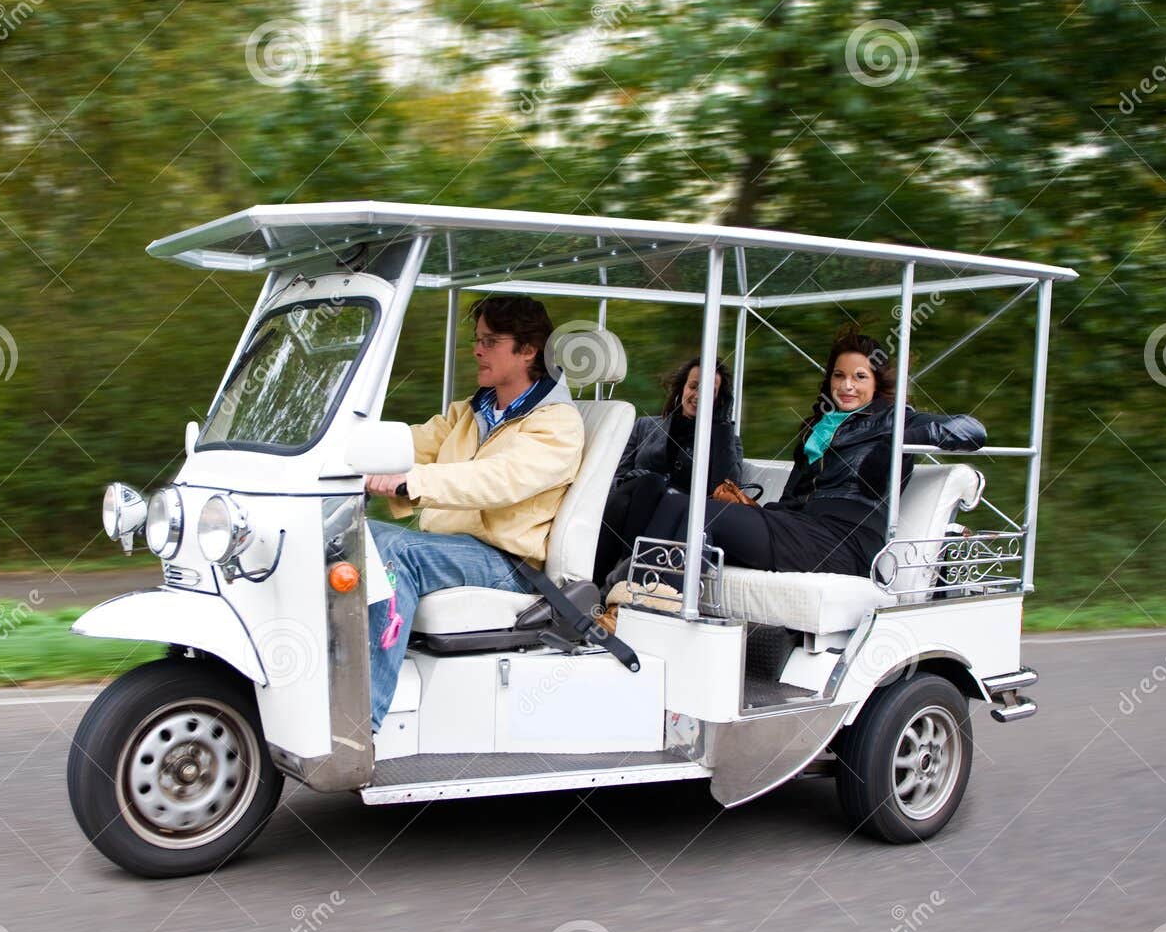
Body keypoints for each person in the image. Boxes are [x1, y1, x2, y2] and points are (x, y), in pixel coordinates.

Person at [363, 295, 585, 730]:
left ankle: (359, 723)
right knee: (350, 533)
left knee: (395, 551)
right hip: (454, 549)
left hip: (508, 563)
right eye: (477, 340)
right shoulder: (472, 411)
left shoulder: (556, 423)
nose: (477, 350)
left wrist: (414, 482)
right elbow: (412, 442)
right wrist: (346, 456)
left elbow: (499, 479)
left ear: (527, 350)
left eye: (490, 341)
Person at [638, 323, 986, 579]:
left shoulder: (894, 419)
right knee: (674, 502)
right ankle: (632, 600)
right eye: (839, 375)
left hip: (845, 541)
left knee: (702, 515)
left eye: (860, 377)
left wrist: (899, 436)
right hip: (800, 527)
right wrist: (761, 513)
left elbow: (971, 430)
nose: (846, 385)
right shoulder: (818, 426)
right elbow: (795, 497)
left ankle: (650, 606)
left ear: (876, 382)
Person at [594, 355, 744, 585]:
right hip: (629, 504)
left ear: (719, 400)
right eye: (693, 386)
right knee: (647, 484)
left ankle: (610, 579)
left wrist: (722, 426)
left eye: (709, 392)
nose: (697, 396)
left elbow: (725, 490)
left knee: (653, 486)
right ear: (682, 387)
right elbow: (614, 480)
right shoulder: (645, 426)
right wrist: (632, 481)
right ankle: (624, 574)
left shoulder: (726, 441)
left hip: (676, 518)